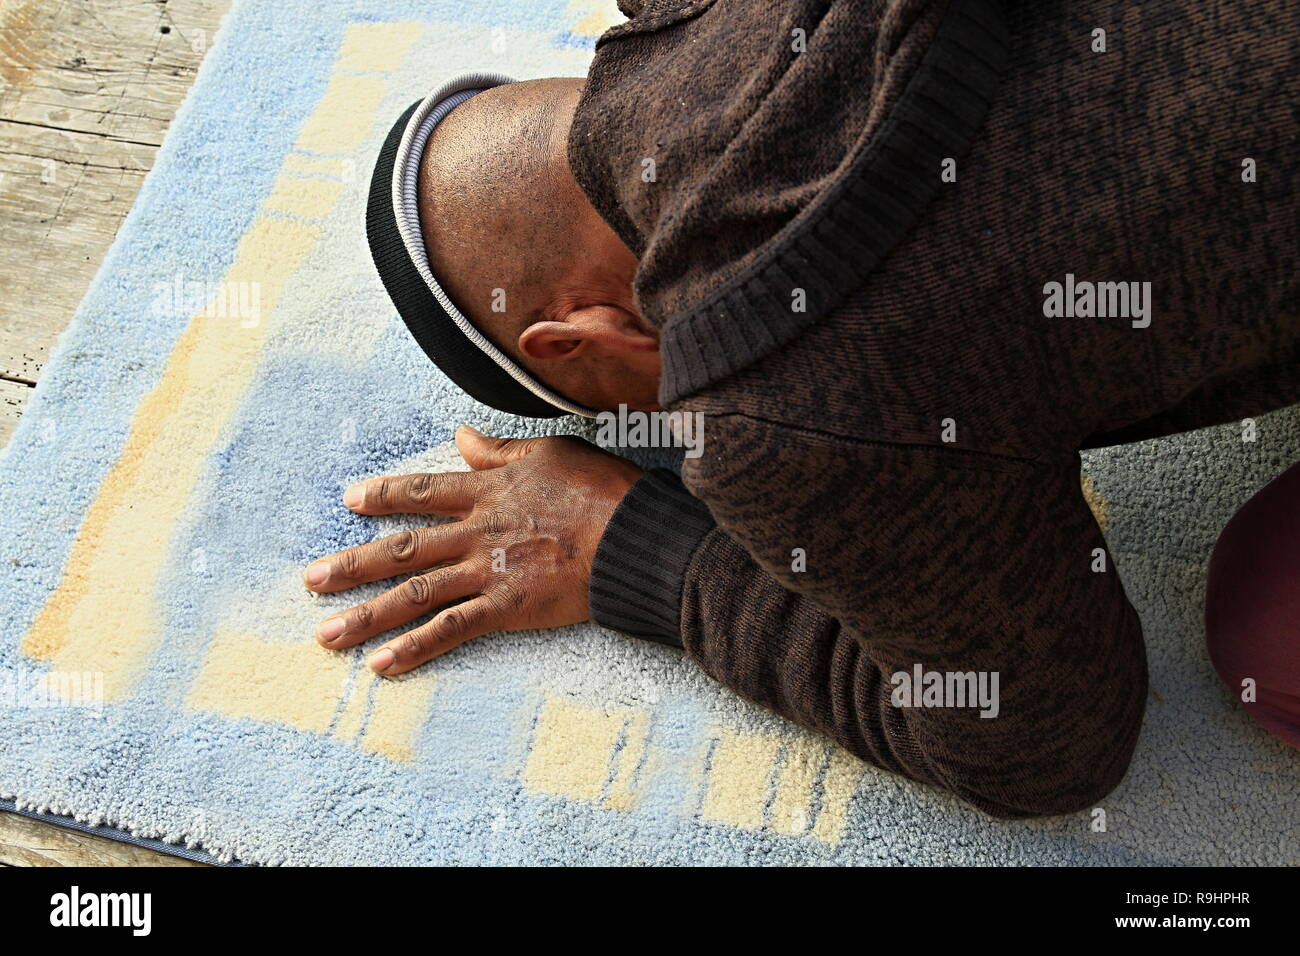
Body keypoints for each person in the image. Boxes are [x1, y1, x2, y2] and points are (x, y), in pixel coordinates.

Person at [304, 0, 1300, 817]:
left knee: (1269, 632)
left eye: (620, 405)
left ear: (577, 340)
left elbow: (1039, 745)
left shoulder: (780, 411)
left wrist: (642, 554)